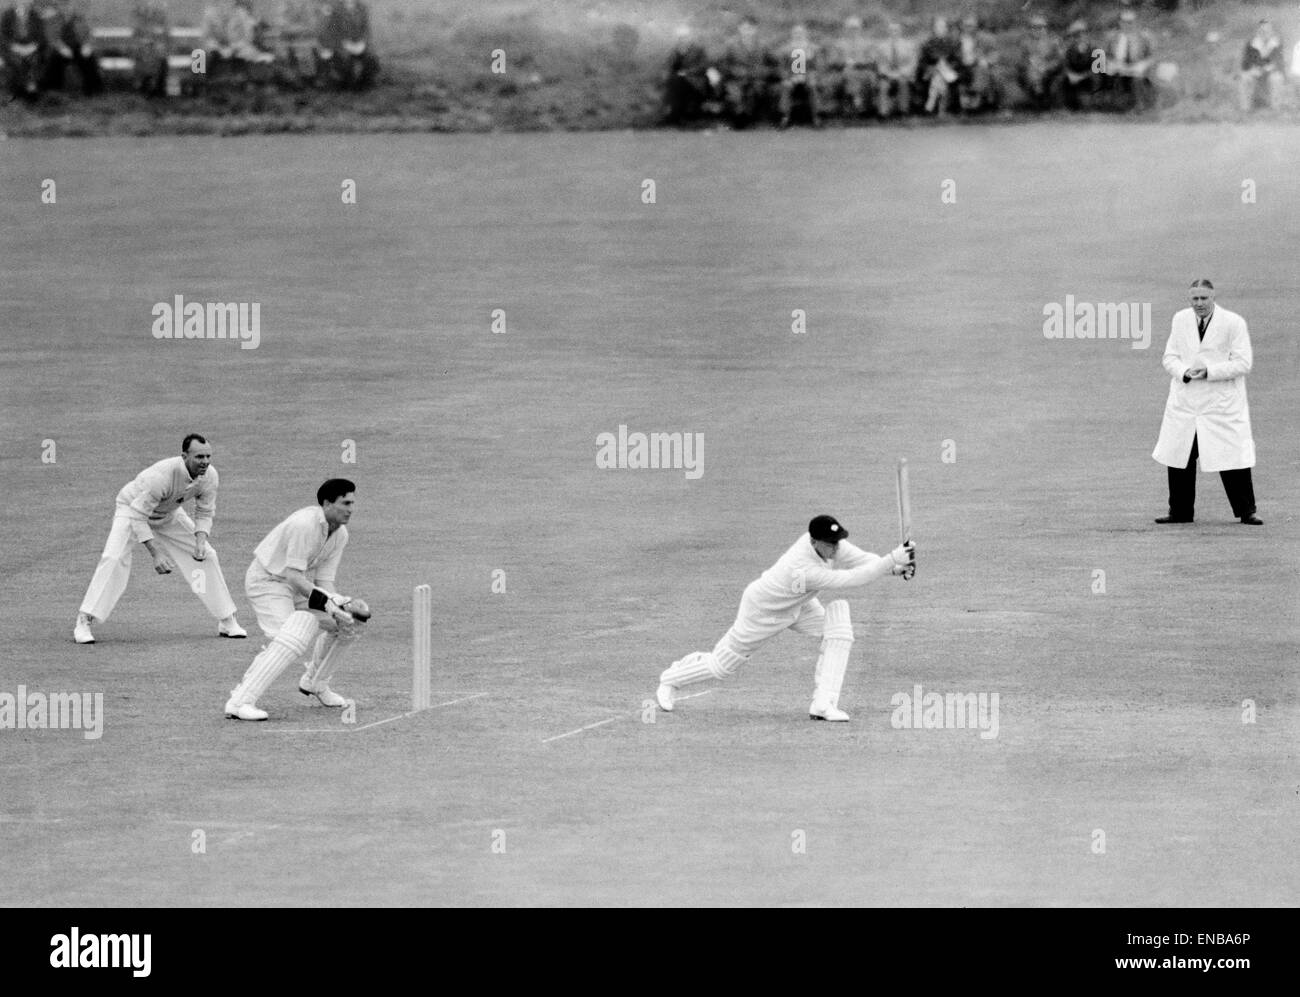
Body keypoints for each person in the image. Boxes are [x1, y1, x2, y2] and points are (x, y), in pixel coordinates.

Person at [655, 515, 916, 722]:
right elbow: (852, 578)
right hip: (763, 612)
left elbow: (861, 560)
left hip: (799, 605)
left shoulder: (829, 544)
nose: (835, 548)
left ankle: (824, 704)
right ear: (814, 542)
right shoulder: (802, 569)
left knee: (840, 631)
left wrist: (894, 568)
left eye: (837, 542)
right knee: (721, 667)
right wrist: (892, 559)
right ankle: (672, 678)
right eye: (829, 544)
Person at [74, 434, 247, 644]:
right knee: (113, 558)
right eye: (199, 457)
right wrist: (156, 554)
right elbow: (138, 517)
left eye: (208, 456)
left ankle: (227, 619)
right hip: (131, 510)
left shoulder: (210, 476)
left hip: (168, 513)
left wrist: (200, 541)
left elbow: (204, 512)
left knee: (208, 555)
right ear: (184, 456)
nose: (205, 462)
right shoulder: (160, 476)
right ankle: (85, 619)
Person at [224, 478, 367, 721]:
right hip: (268, 582)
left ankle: (315, 682)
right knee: (294, 634)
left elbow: (324, 581)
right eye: (345, 503)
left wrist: (338, 605)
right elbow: (292, 576)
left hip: (298, 586)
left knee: (350, 623)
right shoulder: (305, 525)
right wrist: (328, 603)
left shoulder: (340, 534)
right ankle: (240, 702)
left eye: (353, 503)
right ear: (327, 503)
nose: (351, 509)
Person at [1152, 280, 1262, 526]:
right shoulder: (1180, 319)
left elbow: (1243, 363)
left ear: (1213, 297)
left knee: (1231, 458)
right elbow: (1170, 357)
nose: (1199, 304)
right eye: (1195, 299)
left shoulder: (1233, 323)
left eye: (1204, 298)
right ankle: (1180, 512)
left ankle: (1247, 511)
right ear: (1189, 299)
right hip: (1187, 402)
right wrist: (1184, 371)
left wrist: (1210, 371)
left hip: (1220, 404)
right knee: (1180, 457)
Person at [720, 15, 776, 128]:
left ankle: (748, 118)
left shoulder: (763, 46)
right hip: (736, 80)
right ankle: (739, 118)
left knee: (755, 91)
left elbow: (774, 65)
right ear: (739, 29)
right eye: (744, 28)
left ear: (755, 30)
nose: (747, 32)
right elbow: (722, 65)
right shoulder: (731, 45)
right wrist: (734, 71)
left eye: (750, 28)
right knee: (735, 94)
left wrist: (763, 71)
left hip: (757, 80)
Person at [39, 0, 101, 95]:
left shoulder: (79, 18)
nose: (66, 8)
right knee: (54, 60)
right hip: (60, 47)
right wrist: (61, 48)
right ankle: (54, 89)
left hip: (78, 46)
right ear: (58, 7)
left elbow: (89, 34)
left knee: (89, 58)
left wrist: (87, 45)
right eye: (62, 5)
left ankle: (93, 89)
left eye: (68, 5)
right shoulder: (52, 19)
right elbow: (51, 37)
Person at [319, 0, 377, 90]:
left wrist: (362, 43)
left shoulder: (362, 8)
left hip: (358, 43)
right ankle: (347, 81)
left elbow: (366, 29)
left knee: (371, 57)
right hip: (342, 43)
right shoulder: (336, 9)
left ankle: (364, 82)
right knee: (344, 60)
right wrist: (344, 43)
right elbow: (331, 30)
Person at [830, 15, 877, 118]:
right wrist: (844, 62)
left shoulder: (868, 43)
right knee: (848, 74)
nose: (853, 31)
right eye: (850, 28)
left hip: (862, 71)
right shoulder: (839, 44)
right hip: (844, 71)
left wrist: (857, 63)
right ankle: (857, 103)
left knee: (854, 75)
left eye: (855, 28)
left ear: (860, 29)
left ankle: (854, 103)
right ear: (846, 29)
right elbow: (832, 61)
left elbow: (872, 60)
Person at [776, 22, 822, 127]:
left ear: (806, 34)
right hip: (791, 77)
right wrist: (788, 78)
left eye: (801, 32)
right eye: (796, 33)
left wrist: (808, 76)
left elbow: (818, 67)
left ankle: (816, 117)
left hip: (808, 77)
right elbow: (782, 67)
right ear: (792, 34)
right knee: (786, 86)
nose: (798, 35)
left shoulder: (814, 49)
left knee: (812, 85)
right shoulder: (785, 50)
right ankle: (785, 117)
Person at [1, 0, 46, 98]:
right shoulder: (7, 15)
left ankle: (30, 87)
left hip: (30, 47)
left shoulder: (35, 15)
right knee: (18, 61)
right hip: (13, 47)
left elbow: (41, 36)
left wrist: (33, 47)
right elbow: (3, 36)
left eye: (27, 1)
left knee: (34, 60)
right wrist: (15, 47)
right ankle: (27, 86)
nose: (24, 2)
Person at [1240, 19, 1285, 111]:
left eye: (1267, 30)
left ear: (1272, 31)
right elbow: (1245, 62)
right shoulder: (1251, 43)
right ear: (1258, 31)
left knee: (1277, 78)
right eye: (1262, 31)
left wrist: (1271, 67)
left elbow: (1280, 61)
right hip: (1255, 71)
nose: (1265, 33)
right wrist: (1252, 69)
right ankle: (1245, 109)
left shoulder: (1276, 43)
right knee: (1245, 77)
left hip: (1271, 71)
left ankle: (1276, 108)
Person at [1019, 14, 1063, 110]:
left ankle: (1040, 94)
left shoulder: (1054, 42)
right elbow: (1022, 61)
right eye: (1034, 28)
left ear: (1045, 29)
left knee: (1039, 74)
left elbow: (1059, 59)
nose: (1037, 30)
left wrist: (1047, 66)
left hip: (1049, 70)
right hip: (1031, 71)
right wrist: (1030, 64)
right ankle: (1038, 94)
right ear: (1030, 29)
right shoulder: (1026, 43)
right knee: (1032, 72)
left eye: (1040, 27)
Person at [875, 20, 917, 117]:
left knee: (903, 83)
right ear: (888, 31)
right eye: (892, 30)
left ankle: (903, 111)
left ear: (901, 31)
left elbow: (912, 63)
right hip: (887, 75)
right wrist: (888, 73)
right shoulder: (882, 46)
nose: (894, 32)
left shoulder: (908, 45)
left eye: (896, 30)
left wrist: (901, 73)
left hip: (903, 74)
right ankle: (883, 113)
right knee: (883, 86)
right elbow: (880, 64)